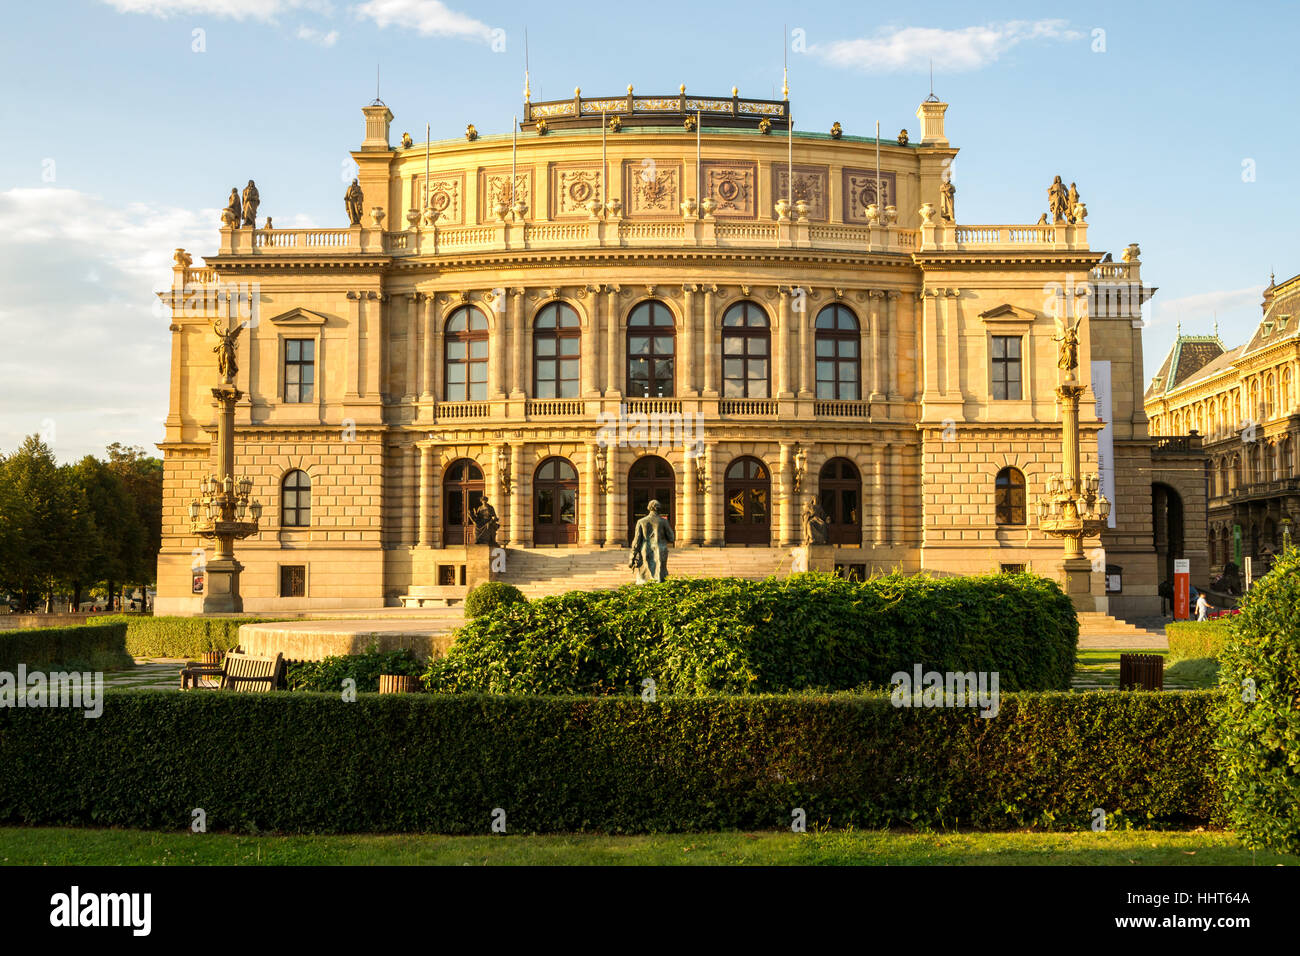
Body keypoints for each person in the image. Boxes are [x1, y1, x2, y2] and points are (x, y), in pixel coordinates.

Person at [629, 499, 674, 583]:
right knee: (660, 575)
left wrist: (632, 556)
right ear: (659, 508)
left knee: (644, 576)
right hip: (661, 549)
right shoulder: (664, 522)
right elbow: (671, 538)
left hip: (645, 550)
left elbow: (636, 541)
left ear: (649, 508)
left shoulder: (641, 521)